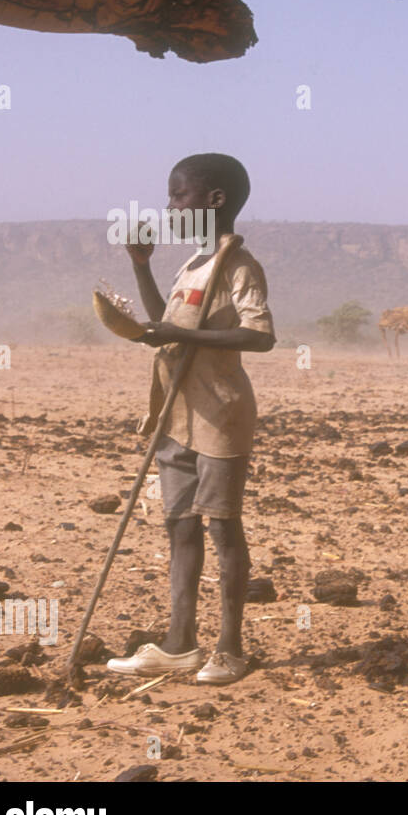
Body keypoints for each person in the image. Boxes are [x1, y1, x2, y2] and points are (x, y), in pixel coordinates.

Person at [106, 153, 275, 685]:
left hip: (221, 414)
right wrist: (140, 265)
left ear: (214, 202)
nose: (171, 205)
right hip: (176, 414)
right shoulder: (193, 264)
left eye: (179, 196)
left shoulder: (238, 267)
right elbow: (164, 324)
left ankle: (230, 648)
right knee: (179, 525)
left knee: (223, 528)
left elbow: (261, 336)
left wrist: (184, 337)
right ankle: (180, 643)